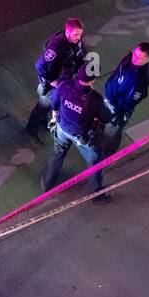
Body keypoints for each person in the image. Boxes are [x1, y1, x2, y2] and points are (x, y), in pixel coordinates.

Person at [40, 65, 111, 204]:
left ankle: (47, 183)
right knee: (95, 161)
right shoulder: (95, 99)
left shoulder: (64, 85)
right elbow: (107, 117)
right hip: (81, 137)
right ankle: (97, 193)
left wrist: (56, 118)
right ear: (93, 80)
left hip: (61, 129)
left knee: (58, 153)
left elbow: (54, 104)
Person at [25, 17, 86, 143]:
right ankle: (31, 132)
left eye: (80, 34)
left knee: (51, 106)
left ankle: (43, 121)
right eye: (76, 34)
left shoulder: (76, 42)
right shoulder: (56, 47)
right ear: (67, 32)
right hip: (52, 85)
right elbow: (39, 65)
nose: (79, 37)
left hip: (64, 82)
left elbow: (80, 55)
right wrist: (52, 80)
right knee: (43, 106)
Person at [102, 43, 149, 157]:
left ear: (146, 60)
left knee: (111, 133)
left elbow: (129, 102)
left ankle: (105, 156)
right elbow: (117, 72)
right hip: (108, 100)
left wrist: (115, 111)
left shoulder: (140, 80)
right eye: (134, 54)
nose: (134, 59)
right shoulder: (130, 58)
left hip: (116, 110)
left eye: (139, 58)